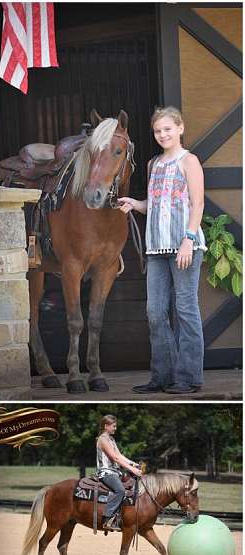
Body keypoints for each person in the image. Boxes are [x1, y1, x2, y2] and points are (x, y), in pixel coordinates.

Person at [118, 106, 206, 394]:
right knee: (155, 312)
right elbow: (155, 204)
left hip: (185, 247)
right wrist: (135, 204)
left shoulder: (189, 161)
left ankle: (188, 378)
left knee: (186, 310)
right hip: (156, 249)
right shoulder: (153, 164)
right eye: (158, 130)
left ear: (180, 128)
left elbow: (197, 204)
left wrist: (188, 240)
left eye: (168, 129)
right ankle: (162, 377)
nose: (162, 134)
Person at [96, 415, 142, 531]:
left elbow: (119, 455)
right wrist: (132, 470)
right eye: (114, 426)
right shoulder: (102, 439)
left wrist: (133, 464)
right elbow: (115, 458)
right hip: (106, 473)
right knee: (120, 490)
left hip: (115, 472)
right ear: (106, 426)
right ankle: (107, 519)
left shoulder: (111, 439)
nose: (115, 428)